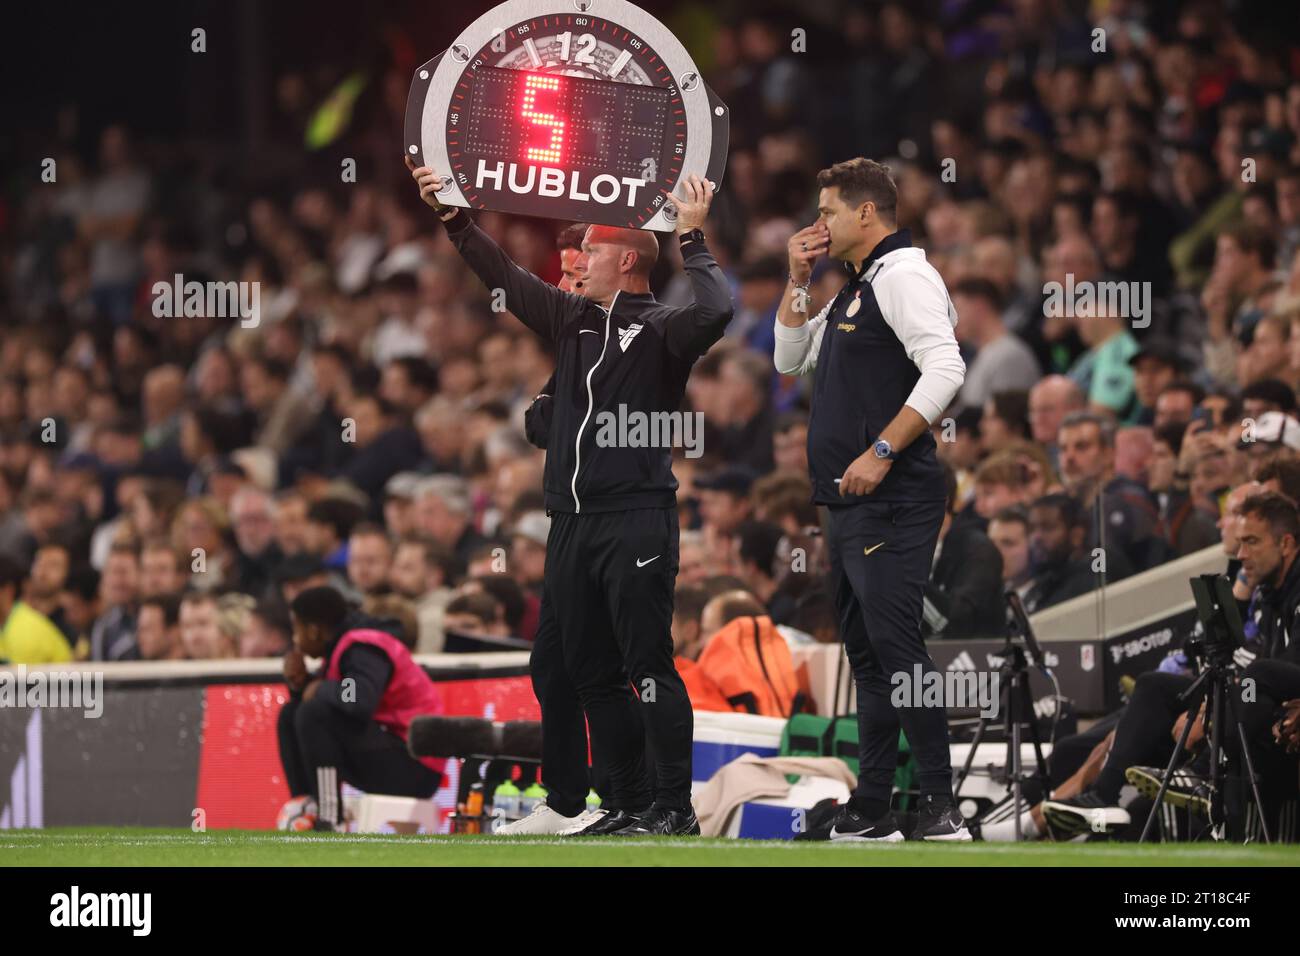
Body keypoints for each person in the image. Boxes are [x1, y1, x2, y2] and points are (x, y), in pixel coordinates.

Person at [408, 157, 733, 836]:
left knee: (646, 665)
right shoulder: (574, 323)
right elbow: (502, 275)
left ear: (626, 259)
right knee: (588, 673)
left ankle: (673, 808)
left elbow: (717, 308)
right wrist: (453, 218)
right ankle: (625, 803)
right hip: (571, 523)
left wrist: (693, 239)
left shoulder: (662, 328)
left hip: (636, 517)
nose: (575, 260)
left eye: (589, 249)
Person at [773, 157, 970, 841]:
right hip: (849, 502)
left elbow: (946, 365)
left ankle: (942, 805)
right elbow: (788, 357)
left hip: (893, 494)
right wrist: (797, 281)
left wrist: (882, 450)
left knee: (896, 644)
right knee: (870, 655)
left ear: (866, 213)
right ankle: (875, 806)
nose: (817, 224)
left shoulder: (906, 274)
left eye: (827, 211)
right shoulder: (859, 282)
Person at [279, 585, 445, 831]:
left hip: (416, 766)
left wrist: (319, 688)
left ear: (313, 631)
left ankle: (329, 816)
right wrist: (301, 684)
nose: (294, 640)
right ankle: (308, 804)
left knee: (313, 713)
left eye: (296, 629)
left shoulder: (364, 647)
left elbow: (358, 698)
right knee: (291, 714)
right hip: (395, 752)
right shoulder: (342, 647)